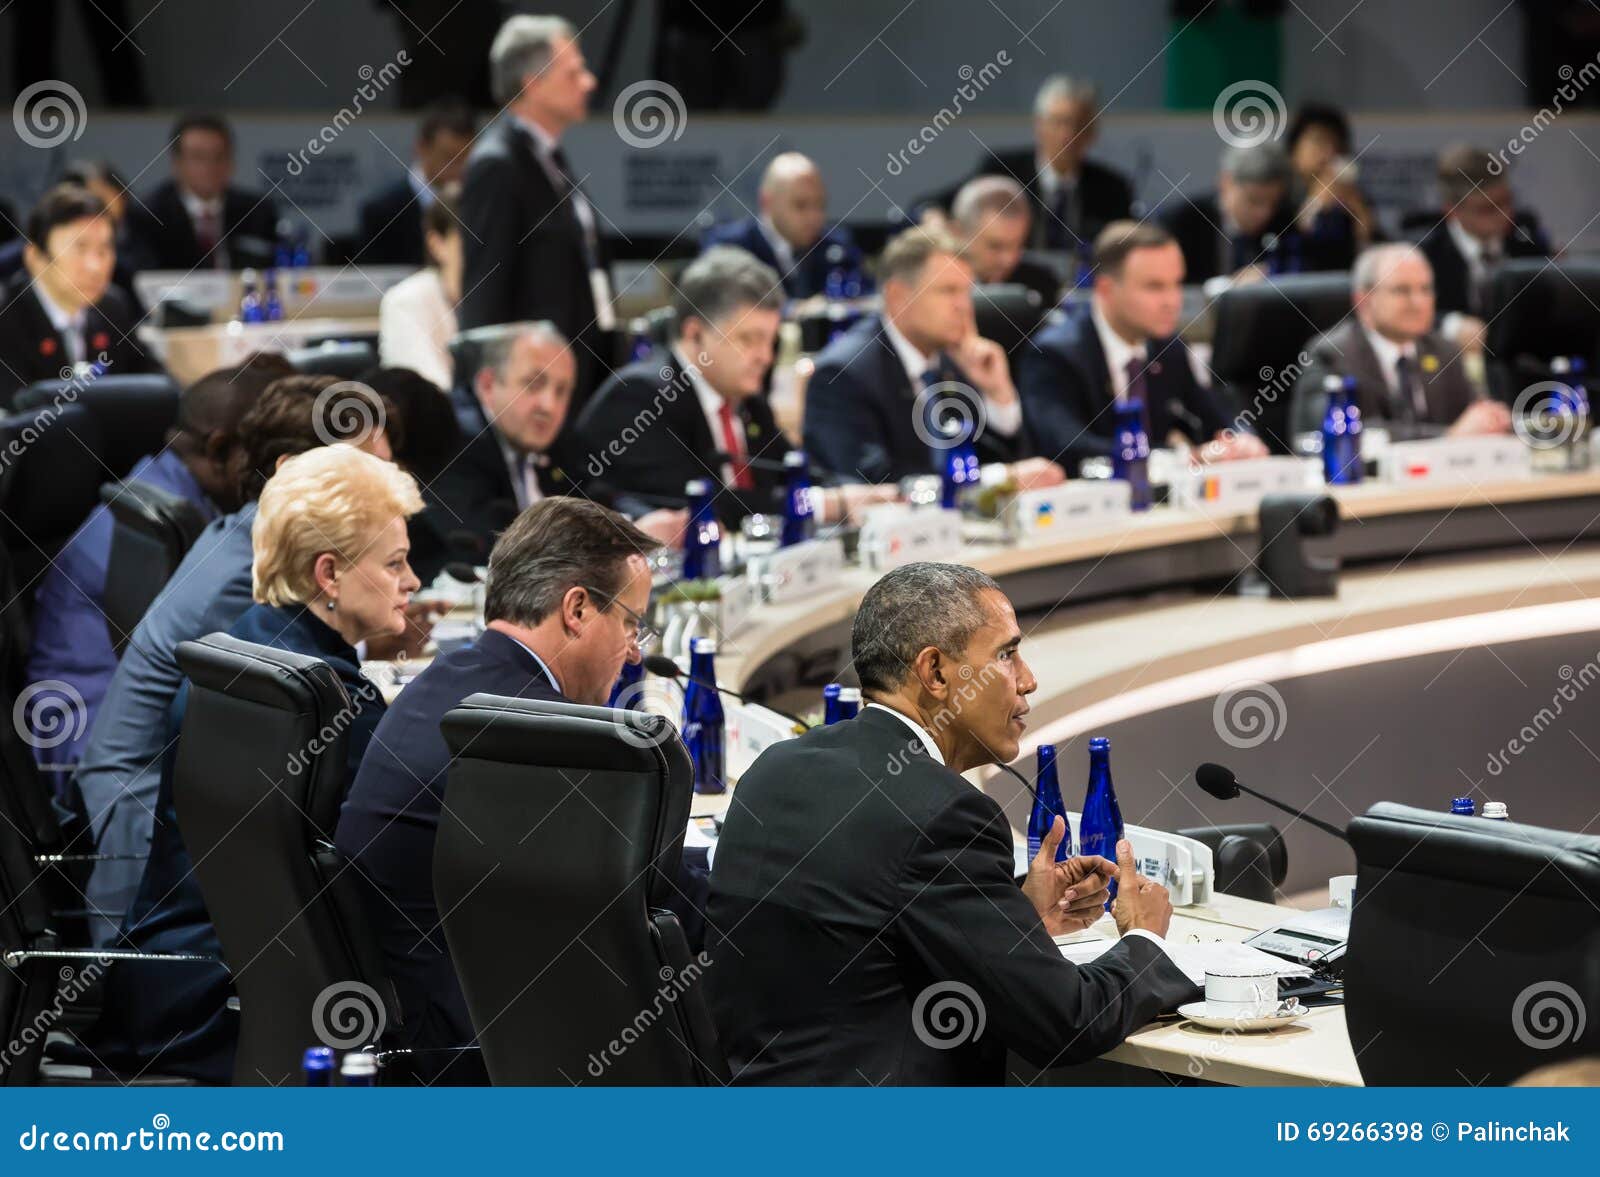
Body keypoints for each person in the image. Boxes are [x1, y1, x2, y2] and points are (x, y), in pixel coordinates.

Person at [706, 561, 1198, 1084]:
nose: (1028, 680)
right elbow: (1068, 1022)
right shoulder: (944, 812)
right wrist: (1145, 939)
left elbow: (857, 933)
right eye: (1006, 655)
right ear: (936, 673)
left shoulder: (774, 768)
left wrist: (1013, 916)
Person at [88, 444, 423, 1084]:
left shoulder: (236, 648)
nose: (412, 581)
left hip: (169, 990)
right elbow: (395, 870)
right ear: (329, 574)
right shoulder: (331, 701)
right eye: (395, 562)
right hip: (237, 1013)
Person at [336, 497, 662, 1074]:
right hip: (459, 1048)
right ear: (578, 609)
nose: (635, 651)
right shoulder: (536, 732)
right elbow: (648, 887)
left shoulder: (449, 676)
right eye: (631, 622)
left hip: (406, 1010)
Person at [71, 376, 399, 943]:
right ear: (291, 473)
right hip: (148, 840)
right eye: (370, 478)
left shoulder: (250, 538)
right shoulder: (244, 579)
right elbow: (284, 748)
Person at [22, 353, 290, 779]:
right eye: (268, 455)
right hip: (90, 756)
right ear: (221, 449)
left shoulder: (161, 494)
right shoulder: (160, 532)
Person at [579, 247, 896, 528]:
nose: (765, 356)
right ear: (695, 334)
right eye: (749, 339)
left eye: (771, 341)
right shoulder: (641, 397)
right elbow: (699, 505)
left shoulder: (748, 402)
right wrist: (827, 505)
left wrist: (864, 493)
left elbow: (800, 473)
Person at [415, 320, 682, 577]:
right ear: (487, 385)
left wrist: (644, 523)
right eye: (534, 384)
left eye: (562, 390)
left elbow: (597, 496)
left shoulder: (554, 440)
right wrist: (619, 539)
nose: (549, 405)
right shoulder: (452, 437)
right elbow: (498, 546)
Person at [803, 226, 1064, 488]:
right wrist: (998, 478)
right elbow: (878, 483)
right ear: (897, 297)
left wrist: (998, 395)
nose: (963, 306)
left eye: (966, 292)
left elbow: (1004, 459)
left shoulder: (955, 360)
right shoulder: (844, 373)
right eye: (948, 291)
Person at [1017, 221, 1261, 469]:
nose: (1172, 301)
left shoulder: (1168, 348)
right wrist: (1183, 457)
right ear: (1106, 289)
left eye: (1177, 283)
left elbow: (1217, 415)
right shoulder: (1055, 354)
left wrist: (1241, 439)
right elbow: (1068, 448)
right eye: (1155, 287)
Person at [458, 15, 612, 402]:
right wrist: (488, 395)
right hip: (530, 388)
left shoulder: (550, 158)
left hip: (574, 371)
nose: (589, 82)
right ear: (533, 83)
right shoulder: (498, 164)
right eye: (573, 73)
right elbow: (485, 288)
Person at [1290, 243, 1508, 438]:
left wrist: (1491, 419)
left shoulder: (1444, 350)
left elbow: (1473, 412)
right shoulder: (1331, 355)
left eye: (1425, 289)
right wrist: (1448, 435)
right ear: (1363, 301)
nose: (1418, 302)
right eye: (1402, 290)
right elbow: (1346, 432)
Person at [0, 185, 158, 402]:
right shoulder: (6, 315)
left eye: (104, 249)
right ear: (35, 257)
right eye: (79, 248)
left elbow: (153, 383)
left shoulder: (112, 308)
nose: (95, 266)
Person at [946, 76, 1133, 253]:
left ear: (1093, 133)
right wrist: (936, 220)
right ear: (1039, 125)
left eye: (1079, 125)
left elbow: (1126, 245)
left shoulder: (1112, 189)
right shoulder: (1002, 171)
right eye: (1059, 122)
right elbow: (944, 204)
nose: (1068, 134)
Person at [1411, 145, 1550, 340]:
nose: (1505, 214)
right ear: (1452, 211)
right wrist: (1451, 325)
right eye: (1487, 209)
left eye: (1506, 201)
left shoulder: (1528, 240)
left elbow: (1545, 308)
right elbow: (1404, 312)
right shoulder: (1423, 253)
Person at [122, 113, 279, 273]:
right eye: (198, 157)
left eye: (219, 156)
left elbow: (275, 271)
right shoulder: (147, 215)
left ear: (231, 162)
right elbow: (145, 277)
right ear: (176, 163)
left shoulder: (257, 211)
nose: (209, 166)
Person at [699, 153, 869, 300]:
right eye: (800, 205)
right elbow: (721, 306)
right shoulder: (729, 248)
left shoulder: (837, 247)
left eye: (820, 204)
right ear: (767, 202)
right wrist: (795, 310)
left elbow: (865, 297)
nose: (814, 216)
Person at [356, 99, 474, 267]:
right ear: (421, 148)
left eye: (465, 158)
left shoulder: (480, 205)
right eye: (449, 157)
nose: (459, 168)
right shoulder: (381, 213)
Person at [1161, 142, 1297, 285]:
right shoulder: (1182, 222)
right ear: (1226, 183)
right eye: (1254, 201)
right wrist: (1229, 285)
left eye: (1273, 203)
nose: (1264, 213)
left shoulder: (1285, 221)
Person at [378, 186, 462, 391]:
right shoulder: (406, 301)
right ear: (437, 244)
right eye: (472, 238)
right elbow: (431, 392)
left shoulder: (505, 296)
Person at [1284, 103, 1372, 274]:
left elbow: (1369, 250)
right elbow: (1288, 248)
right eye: (1319, 142)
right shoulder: (1279, 198)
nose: (1329, 153)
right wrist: (1316, 203)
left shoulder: (1352, 196)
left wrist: (1357, 209)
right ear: (1294, 151)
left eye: (1336, 145)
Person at [948, 175, 1061, 307]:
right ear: (959, 234)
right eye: (995, 246)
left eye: (1019, 246)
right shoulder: (935, 286)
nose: (1008, 260)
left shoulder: (1041, 286)